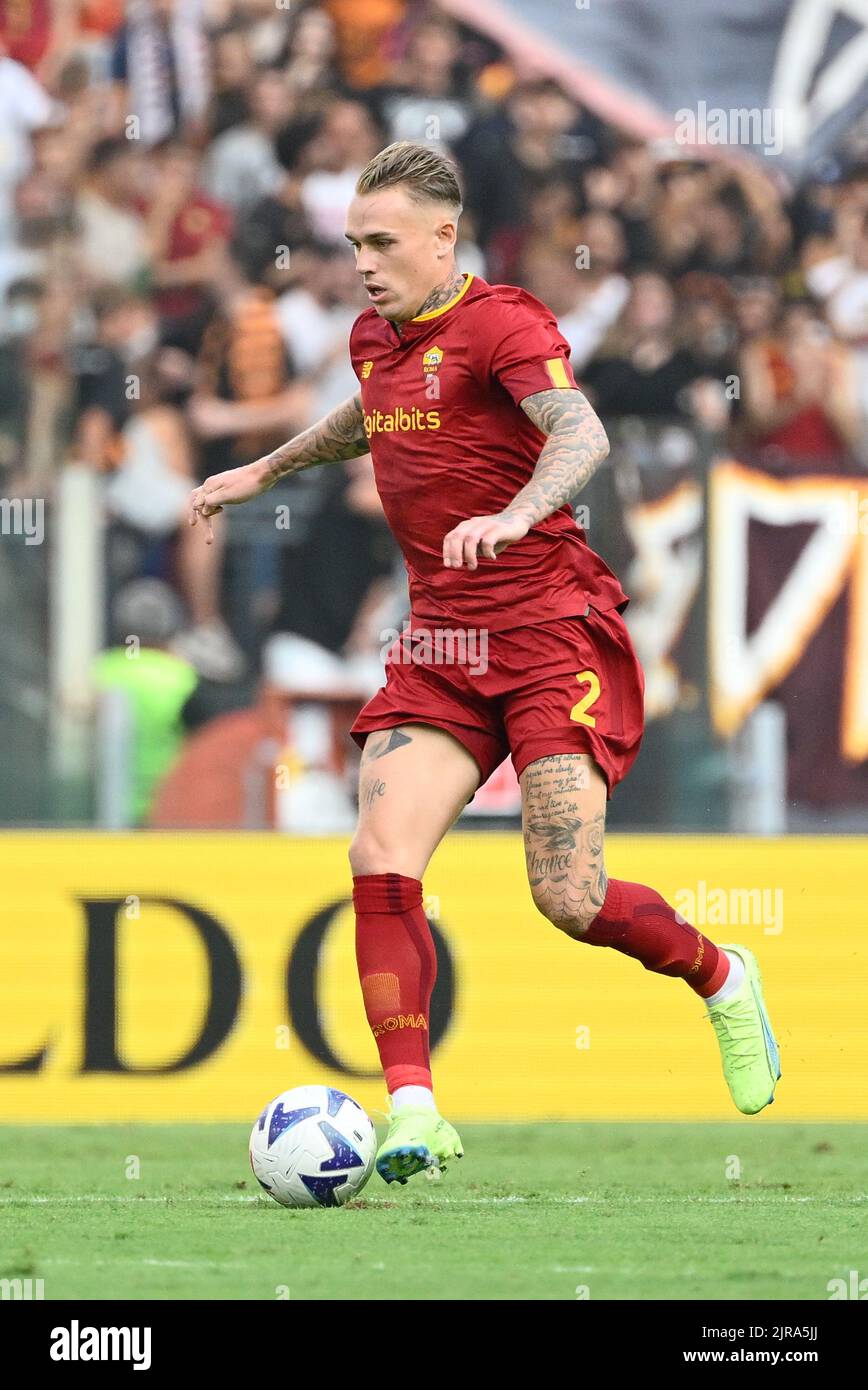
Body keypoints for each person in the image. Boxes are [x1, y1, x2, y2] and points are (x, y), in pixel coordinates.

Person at [189, 140, 781, 1186]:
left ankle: (722, 973)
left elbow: (580, 432)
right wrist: (265, 467)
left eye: (382, 242)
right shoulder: (375, 339)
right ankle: (414, 1109)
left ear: (442, 237)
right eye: (352, 243)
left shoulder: (505, 322)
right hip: (443, 647)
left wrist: (513, 514)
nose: (364, 263)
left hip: (551, 634)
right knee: (378, 855)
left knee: (567, 895)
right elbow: (370, 417)